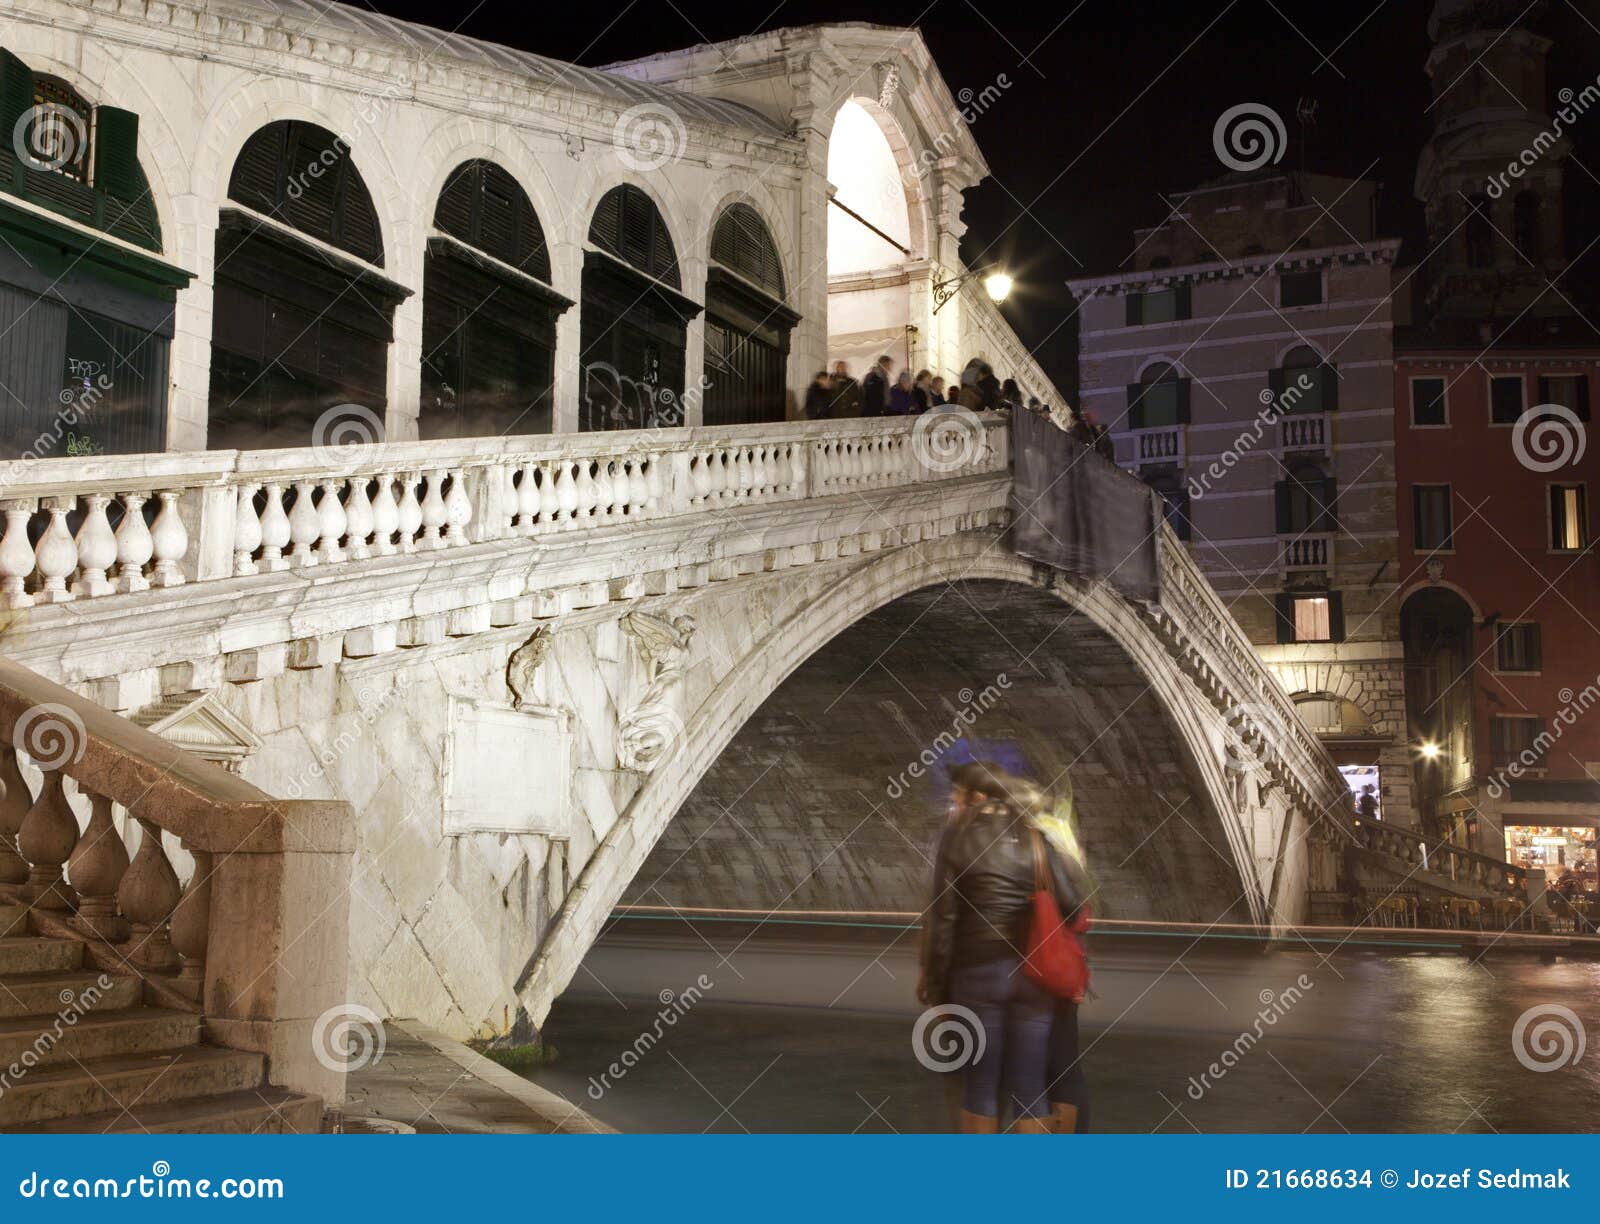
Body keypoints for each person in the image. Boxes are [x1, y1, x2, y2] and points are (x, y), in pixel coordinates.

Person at [919, 761, 1083, 1133]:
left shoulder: (955, 838)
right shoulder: (1035, 836)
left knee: (980, 1085)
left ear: (975, 796)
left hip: (977, 974)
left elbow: (943, 920)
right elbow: (1072, 907)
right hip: (1033, 976)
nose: (954, 802)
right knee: (1030, 1085)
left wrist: (936, 989)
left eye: (958, 795)